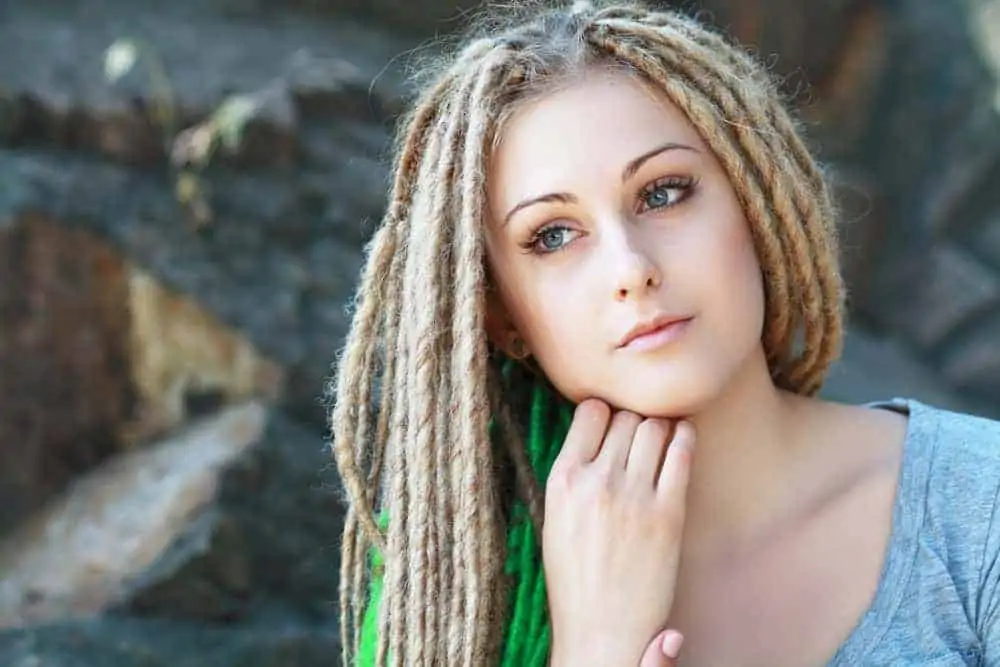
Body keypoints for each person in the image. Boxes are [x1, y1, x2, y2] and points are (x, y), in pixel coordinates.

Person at [328, 1, 1000, 665]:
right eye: (553, 236)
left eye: (663, 193)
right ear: (503, 319)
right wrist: (594, 648)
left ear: (756, 199)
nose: (631, 269)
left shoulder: (976, 504)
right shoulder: (454, 587)